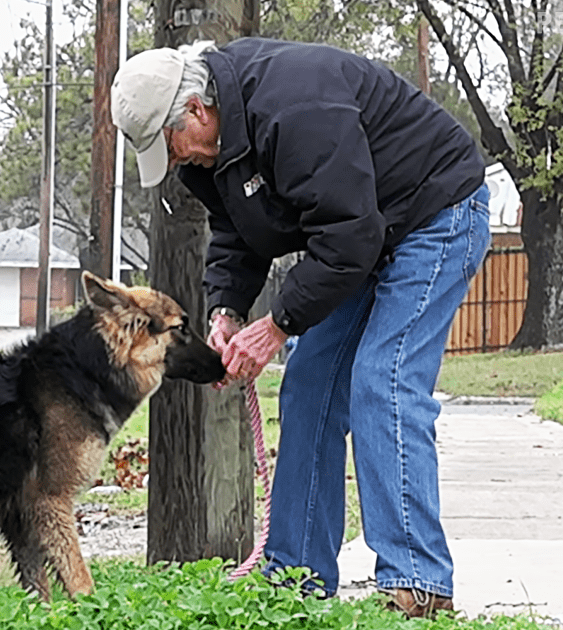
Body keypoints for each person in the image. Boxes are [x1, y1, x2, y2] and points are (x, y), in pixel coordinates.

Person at [110, 38, 490, 618]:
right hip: (362, 234)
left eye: (171, 145)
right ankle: (295, 580)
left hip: (434, 214)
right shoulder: (208, 154)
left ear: (195, 111)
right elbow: (237, 233)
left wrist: (278, 324)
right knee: (309, 384)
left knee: (381, 380)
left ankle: (418, 585)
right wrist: (228, 312)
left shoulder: (295, 107)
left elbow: (348, 234)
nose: (177, 161)